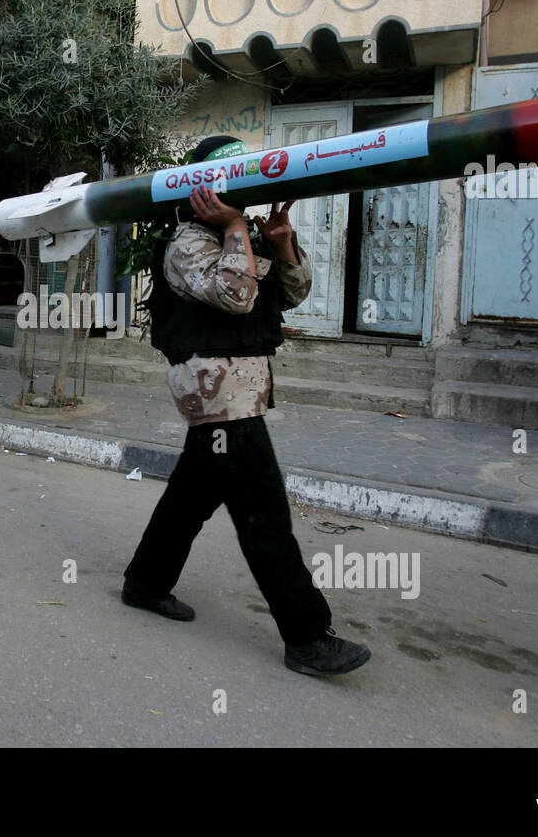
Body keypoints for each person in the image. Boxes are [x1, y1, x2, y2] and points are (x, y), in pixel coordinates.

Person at [122, 135, 371, 677]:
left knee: (191, 497)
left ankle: (145, 583)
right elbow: (235, 297)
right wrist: (237, 229)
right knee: (266, 516)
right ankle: (307, 637)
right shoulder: (188, 242)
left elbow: (292, 295)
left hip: (240, 392)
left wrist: (280, 244)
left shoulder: (245, 237)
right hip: (217, 395)